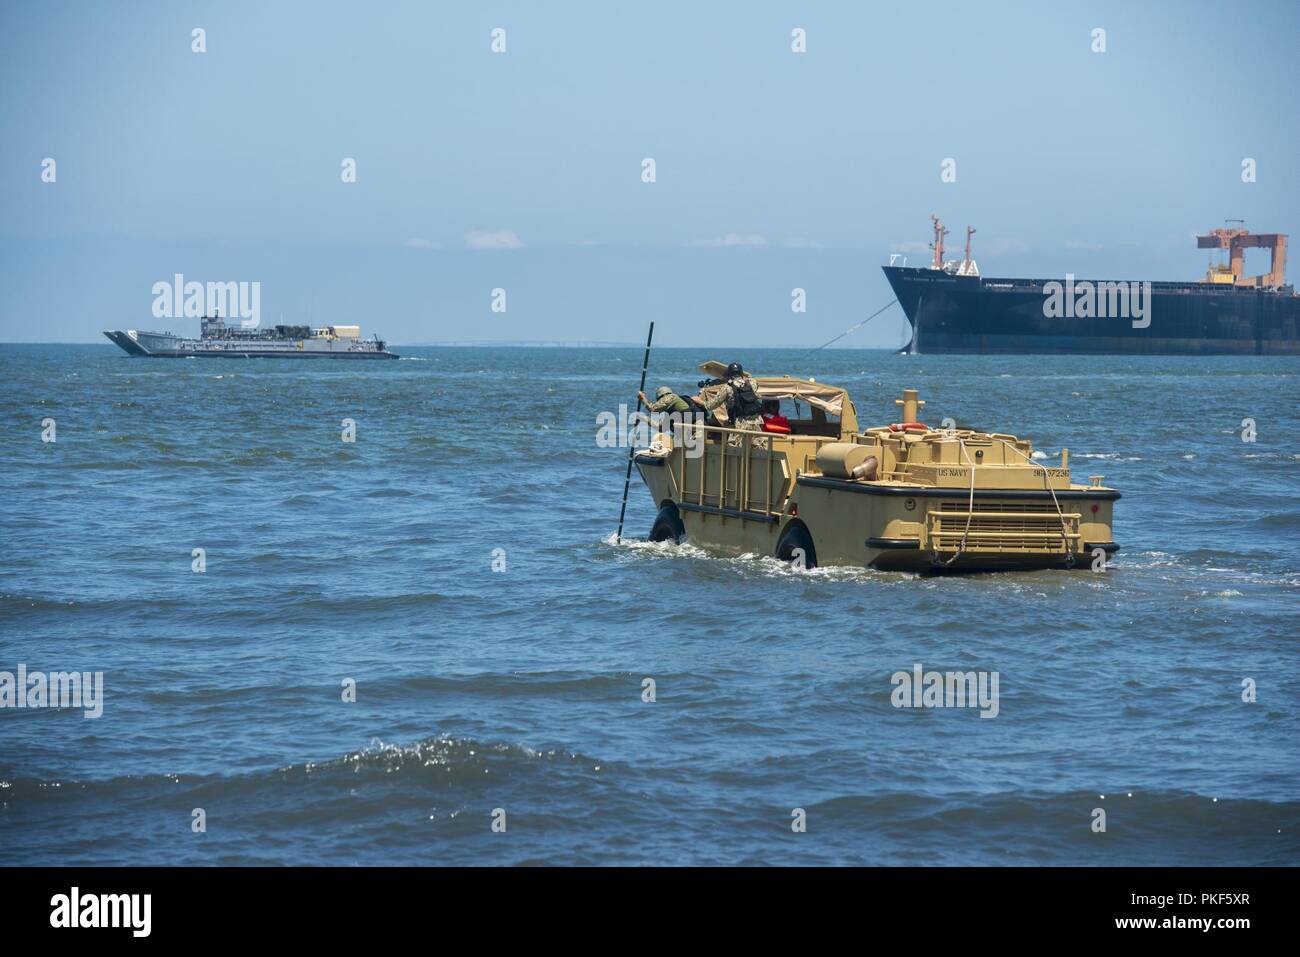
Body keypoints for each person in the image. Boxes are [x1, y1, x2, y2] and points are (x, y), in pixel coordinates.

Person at [701, 362, 764, 433]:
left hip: (740, 423)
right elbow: (749, 380)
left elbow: (711, 406)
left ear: (729, 374)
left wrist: (701, 401)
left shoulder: (727, 388)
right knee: (756, 444)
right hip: (757, 422)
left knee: (733, 444)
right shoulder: (752, 382)